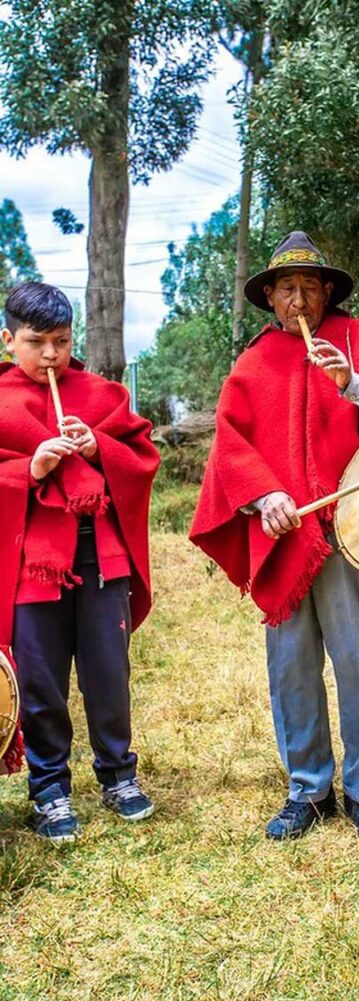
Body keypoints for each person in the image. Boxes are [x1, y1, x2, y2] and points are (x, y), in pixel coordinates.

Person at [191, 231, 359, 841]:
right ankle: (307, 788)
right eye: (286, 289)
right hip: (283, 537)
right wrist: (264, 495)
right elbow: (231, 445)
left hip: (351, 531)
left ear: (327, 291)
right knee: (292, 668)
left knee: (357, 663)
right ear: (270, 298)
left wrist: (354, 383)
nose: (297, 300)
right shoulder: (251, 365)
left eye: (309, 287)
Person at [0, 283, 160, 843]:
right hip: (31, 564)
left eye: (61, 342)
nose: (49, 355)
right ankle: (49, 789)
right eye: (35, 342)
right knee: (40, 679)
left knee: (107, 673)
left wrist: (97, 448)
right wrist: (31, 471)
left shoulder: (102, 394)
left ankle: (118, 774)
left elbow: (142, 457)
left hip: (100, 556)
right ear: (7, 339)